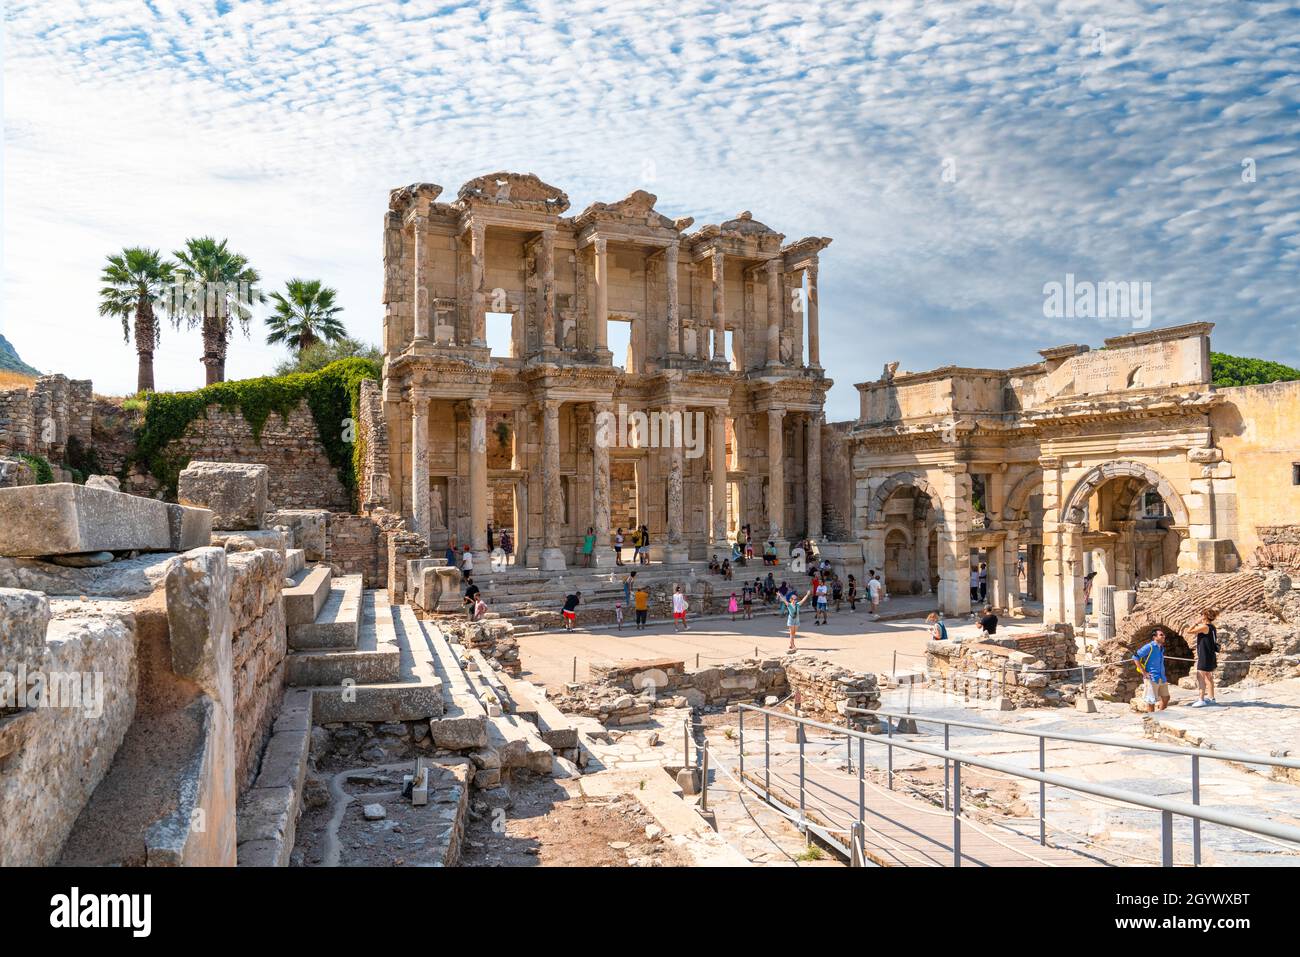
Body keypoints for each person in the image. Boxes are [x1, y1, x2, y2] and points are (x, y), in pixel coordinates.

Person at [1133, 628, 1170, 712]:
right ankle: (1152, 720)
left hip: (1162, 677)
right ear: (1154, 637)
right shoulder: (1149, 647)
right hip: (1151, 678)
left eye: (1163, 635)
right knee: (1151, 702)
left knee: (1166, 697)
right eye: (1161, 635)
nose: (1164, 636)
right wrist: (1144, 672)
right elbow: (1135, 657)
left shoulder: (1161, 648)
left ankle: (1161, 715)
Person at [1190, 608, 1220, 707]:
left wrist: (1195, 623)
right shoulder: (1212, 627)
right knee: (1208, 677)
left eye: (1201, 615)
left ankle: (1201, 699)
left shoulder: (1204, 627)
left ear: (1204, 616)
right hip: (1210, 654)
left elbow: (1189, 631)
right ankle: (1211, 698)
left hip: (1204, 655)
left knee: (1200, 676)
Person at [782, 588, 811, 652]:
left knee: (794, 633)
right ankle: (793, 645)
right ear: (791, 600)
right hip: (791, 620)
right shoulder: (789, 605)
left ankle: (791, 643)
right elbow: (784, 601)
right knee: (792, 633)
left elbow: (803, 600)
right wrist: (780, 595)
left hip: (797, 620)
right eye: (794, 599)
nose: (795, 600)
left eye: (796, 599)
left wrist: (807, 594)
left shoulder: (798, 605)